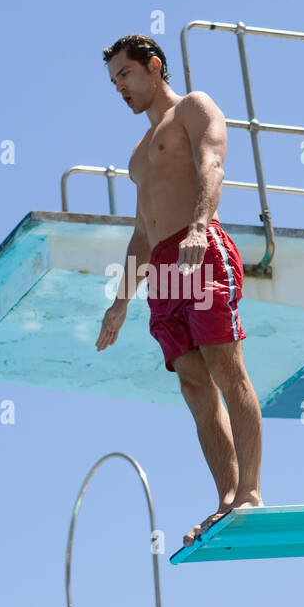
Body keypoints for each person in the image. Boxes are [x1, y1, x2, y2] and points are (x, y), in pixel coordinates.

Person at [95, 33, 263, 547]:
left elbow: (213, 167)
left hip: (201, 245)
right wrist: (121, 300)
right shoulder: (138, 156)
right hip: (163, 268)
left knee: (223, 365)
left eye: (125, 75)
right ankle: (225, 500)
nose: (120, 88)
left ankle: (250, 494)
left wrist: (198, 226)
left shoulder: (195, 107)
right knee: (192, 384)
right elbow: (144, 231)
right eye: (113, 81)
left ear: (154, 66)